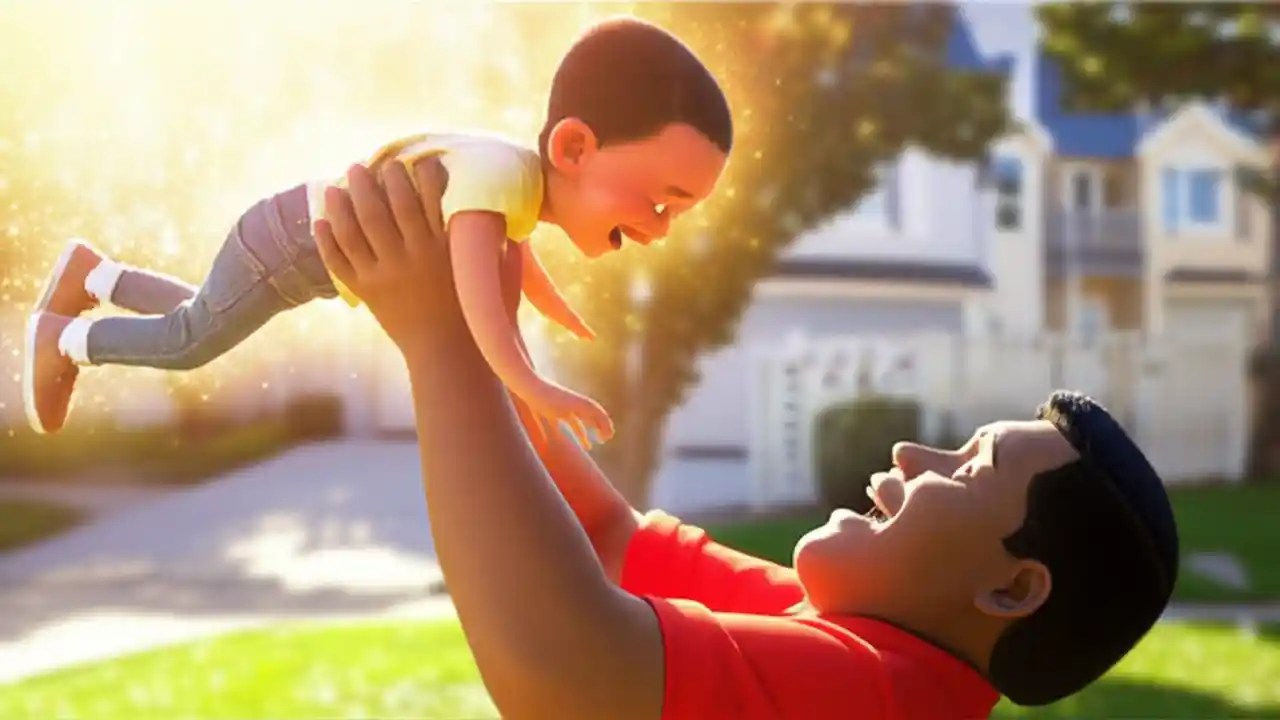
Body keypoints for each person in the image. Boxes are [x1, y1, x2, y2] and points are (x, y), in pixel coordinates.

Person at [316, 159, 1180, 719]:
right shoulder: (848, 630)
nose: (916, 457)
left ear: (1010, 589)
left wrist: (437, 343)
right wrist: (480, 332)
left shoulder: (878, 697)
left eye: (967, 466)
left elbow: (562, 675)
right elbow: (609, 539)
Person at [23, 17, 731, 445]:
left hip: (289, 237)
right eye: (660, 203)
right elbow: (485, 308)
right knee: (189, 342)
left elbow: (515, 261)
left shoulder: (513, 184)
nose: (659, 230)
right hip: (289, 245)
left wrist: (555, 310)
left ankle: (95, 274)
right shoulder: (495, 185)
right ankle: (66, 341)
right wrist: (534, 386)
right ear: (575, 149)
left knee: (198, 312)